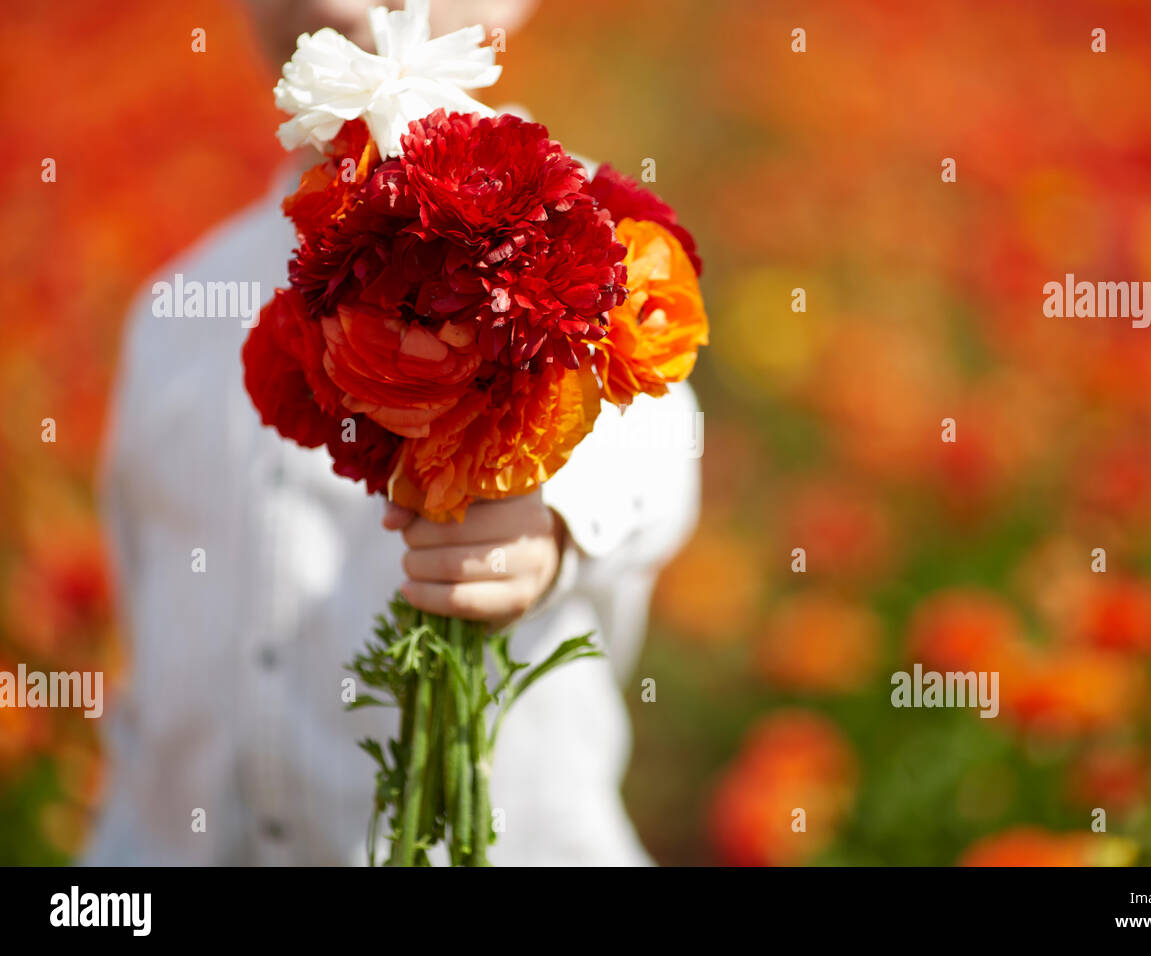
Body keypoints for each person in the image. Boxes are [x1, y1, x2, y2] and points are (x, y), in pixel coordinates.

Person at [81, 0, 700, 866]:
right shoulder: (178, 311)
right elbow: (155, 679)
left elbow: (659, 443)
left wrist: (551, 524)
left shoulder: (590, 238)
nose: (336, 3)